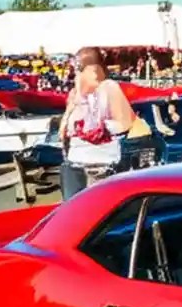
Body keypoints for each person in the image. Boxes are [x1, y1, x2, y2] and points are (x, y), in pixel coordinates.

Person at [57, 47, 135, 199]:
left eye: (78, 68)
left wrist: (101, 129)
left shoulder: (110, 88)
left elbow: (125, 124)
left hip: (103, 165)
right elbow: (64, 129)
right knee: (72, 212)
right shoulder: (75, 94)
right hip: (75, 163)